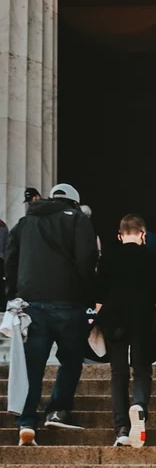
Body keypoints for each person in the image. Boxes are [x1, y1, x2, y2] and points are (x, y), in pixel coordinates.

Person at [5, 182, 99, 444]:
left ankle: (26, 422)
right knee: (71, 360)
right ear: (74, 202)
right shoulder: (78, 220)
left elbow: (10, 261)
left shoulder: (25, 223)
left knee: (32, 366)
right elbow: (87, 260)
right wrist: (89, 297)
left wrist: (13, 296)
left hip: (31, 305)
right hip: (69, 303)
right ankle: (58, 410)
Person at [93, 214, 156, 447]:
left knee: (118, 373)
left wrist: (98, 323)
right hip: (143, 318)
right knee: (142, 368)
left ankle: (121, 427)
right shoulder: (152, 257)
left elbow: (99, 296)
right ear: (143, 234)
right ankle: (139, 408)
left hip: (114, 319)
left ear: (119, 235)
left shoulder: (108, 257)